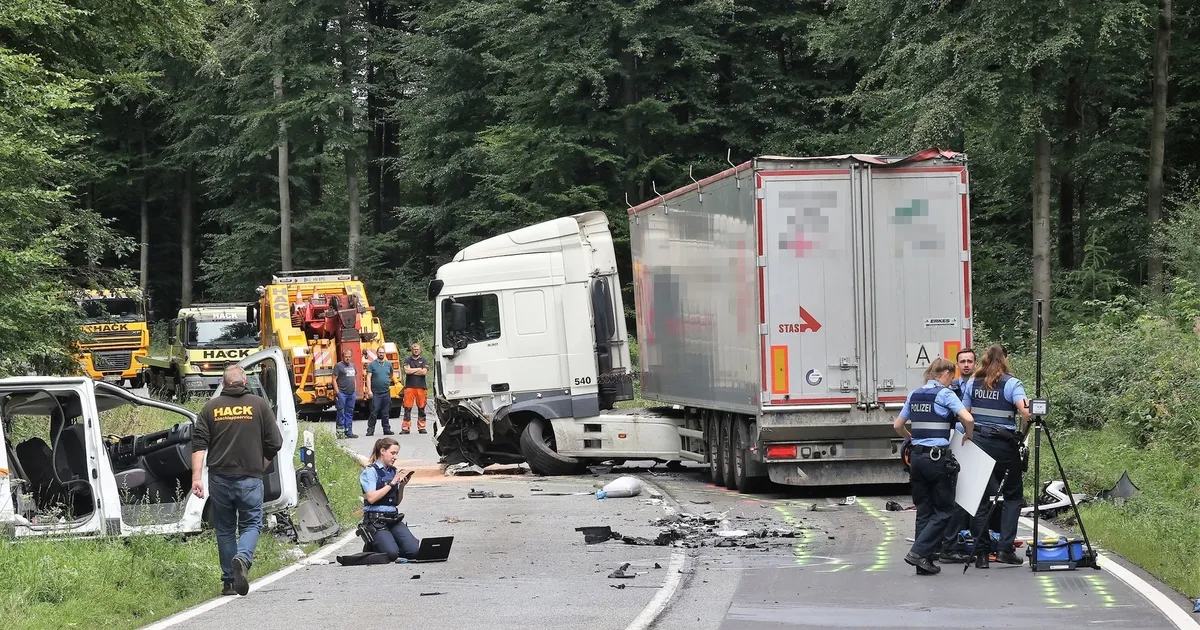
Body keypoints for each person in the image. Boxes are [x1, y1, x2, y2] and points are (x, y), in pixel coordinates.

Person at [191, 365, 283, 597]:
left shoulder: (210, 407)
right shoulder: (259, 404)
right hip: (250, 477)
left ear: (223, 383)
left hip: (219, 478)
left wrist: (196, 478)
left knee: (224, 529)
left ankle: (230, 583)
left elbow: (199, 444)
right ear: (245, 381)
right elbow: (275, 442)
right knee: (251, 524)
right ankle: (242, 558)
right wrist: (261, 464)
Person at [893, 357, 975, 575]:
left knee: (924, 511)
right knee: (945, 510)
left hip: (916, 458)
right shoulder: (945, 394)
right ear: (945, 374)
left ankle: (924, 562)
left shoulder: (914, 394)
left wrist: (911, 438)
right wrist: (968, 434)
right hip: (937, 459)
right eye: (951, 377)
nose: (951, 381)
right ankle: (918, 553)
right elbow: (968, 419)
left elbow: (898, 425)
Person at [962, 343, 1032, 567]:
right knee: (1013, 496)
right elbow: (1026, 412)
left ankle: (982, 554)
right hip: (1003, 445)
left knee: (979, 498)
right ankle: (1004, 549)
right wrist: (1022, 434)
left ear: (983, 359)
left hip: (978, 442)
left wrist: (968, 435)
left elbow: (965, 414)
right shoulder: (1012, 383)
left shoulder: (972, 382)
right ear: (1005, 359)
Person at [358, 437, 421, 561]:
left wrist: (401, 486)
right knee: (391, 554)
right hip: (376, 520)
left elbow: (396, 502)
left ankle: (390, 542)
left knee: (414, 551)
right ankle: (373, 545)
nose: (395, 457)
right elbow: (371, 498)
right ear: (382, 451)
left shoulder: (393, 471)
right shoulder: (370, 472)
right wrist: (392, 483)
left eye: (396, 453)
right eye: (393, 453)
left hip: (393, 518)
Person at [365, 345, 395, 437]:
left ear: (384, 353)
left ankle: (386, 429)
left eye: (382, 352)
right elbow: (368, 378)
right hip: (376, 393)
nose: (381, 354)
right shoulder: (372, 365)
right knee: (374, 412)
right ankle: (370, 430)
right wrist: (369, 390)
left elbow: (391, 375)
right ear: (377, 353)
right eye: (379, 352)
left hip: (386, 392)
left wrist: (386, 381)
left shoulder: (388, 364)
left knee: (385, 412)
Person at [400, 343, 429, 434]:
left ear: (420, 350)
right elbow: (407, 371)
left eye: (417, 349)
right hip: (409, 387)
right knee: (407, 408)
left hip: (421, 387)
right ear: (411, 350)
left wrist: (412, 370)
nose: (416, 351)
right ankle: (406, 428)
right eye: (414, 349)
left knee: (421, 407)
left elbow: (424, 372)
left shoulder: (424, 360)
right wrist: (419, 369)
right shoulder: (407, 360)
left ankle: (421, 427)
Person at [332, 348, 360, 439]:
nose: (347, 358)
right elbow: (334, 379)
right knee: (341, 412)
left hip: (351, 393)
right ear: (343, 357)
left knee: (349, 413)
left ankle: (349, 432)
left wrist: (355, 389)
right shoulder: (338, 366)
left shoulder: (353, 366)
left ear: (351, 357)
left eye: (349, 356)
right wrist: (338, 392)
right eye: (346, 356)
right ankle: (340, 433)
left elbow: (353, 378)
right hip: (342, 393)